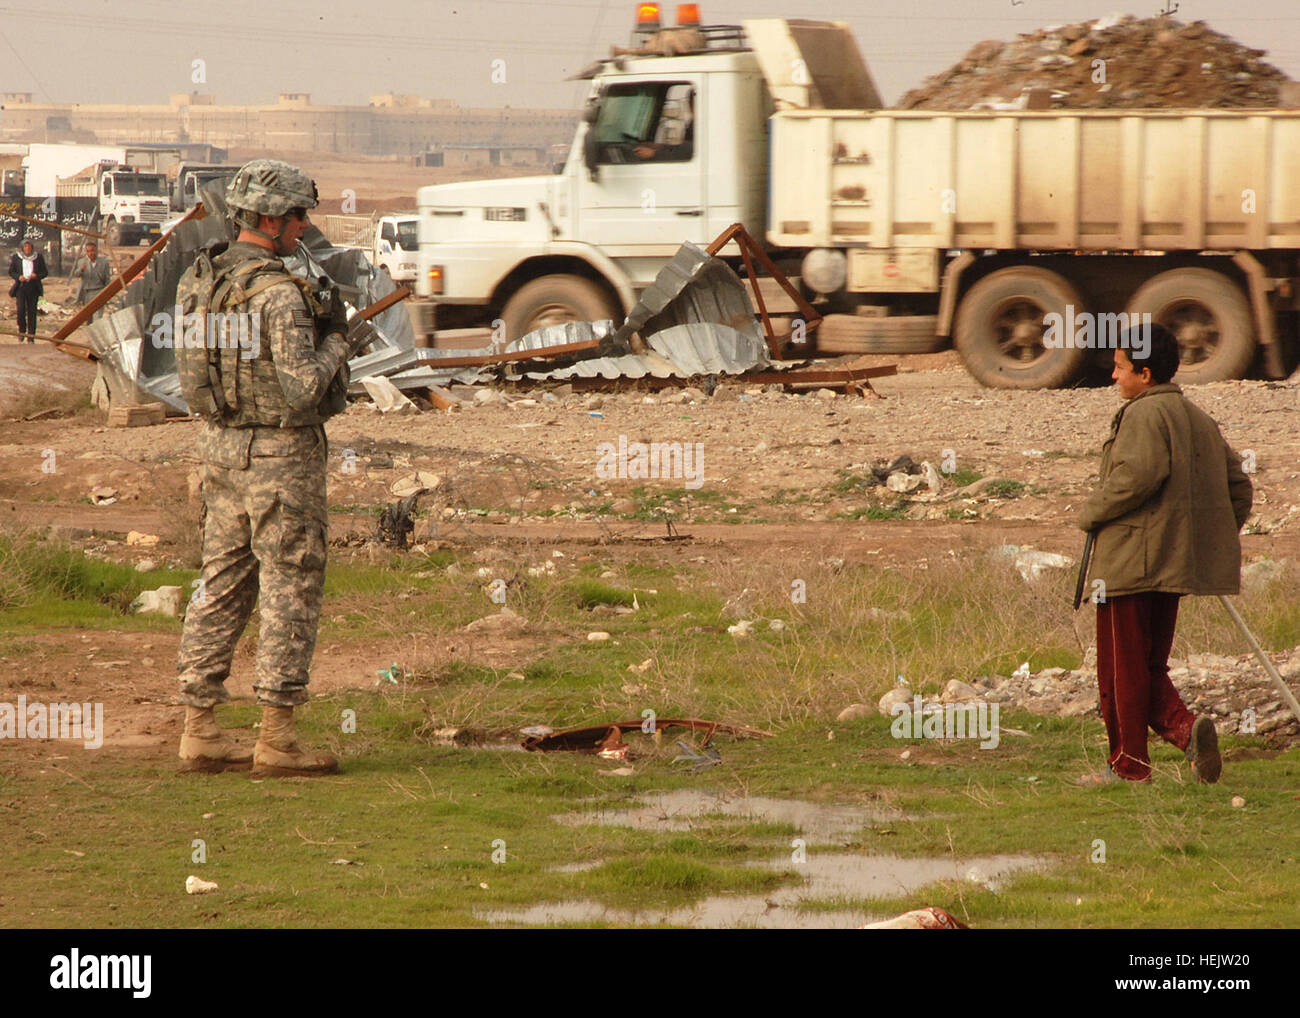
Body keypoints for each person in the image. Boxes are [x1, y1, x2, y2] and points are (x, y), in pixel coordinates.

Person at [174, 158, 361, 776]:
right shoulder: (279, 293)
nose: (305, 226)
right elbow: (304, 387)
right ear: (268, 218)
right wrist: (341, 338)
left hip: (221, 449)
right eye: (297, 215)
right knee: (290, 587)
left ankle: (198, 730)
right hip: (283, 458)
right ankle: (277, 740)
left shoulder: (201, 283)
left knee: (219, 585)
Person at [1076, 323, 1253, 785]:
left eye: (1120, 368)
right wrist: (1199, 541)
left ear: (1146, 373)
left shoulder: (1141, 414)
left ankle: (1128, 768)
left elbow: (1138, 475)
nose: (1114, 377)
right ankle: (1188, 734)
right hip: (1171, 569)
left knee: (1121, 671)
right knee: (1149, 666)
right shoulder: (1197, 418)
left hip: (1129, 565)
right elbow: (1239, 488)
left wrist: (1090, 511)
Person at [8, 239, 48, 342]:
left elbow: (45, 272)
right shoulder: (17, 257)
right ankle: (22, 332)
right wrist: (18, 277)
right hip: (21, 287)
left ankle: (31, 336)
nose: (27, 249)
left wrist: (37, 276)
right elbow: (11, 271)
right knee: (21, 310)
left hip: (33, 287)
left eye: (29, 247)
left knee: (32, 312)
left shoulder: (38, 257)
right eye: (25, 247)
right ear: (22, 248)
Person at [70, 241, 112, 318]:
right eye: (88, 251)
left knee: (98, 316)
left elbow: (107, 278)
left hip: (99, 291)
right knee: (88, 317)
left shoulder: (104, 262)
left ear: (96, 251)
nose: (91, 253)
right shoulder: (82, 262)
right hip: (86, 292)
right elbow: (76, 274)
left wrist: (106, 292)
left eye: (92, 250)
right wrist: (81, 269)